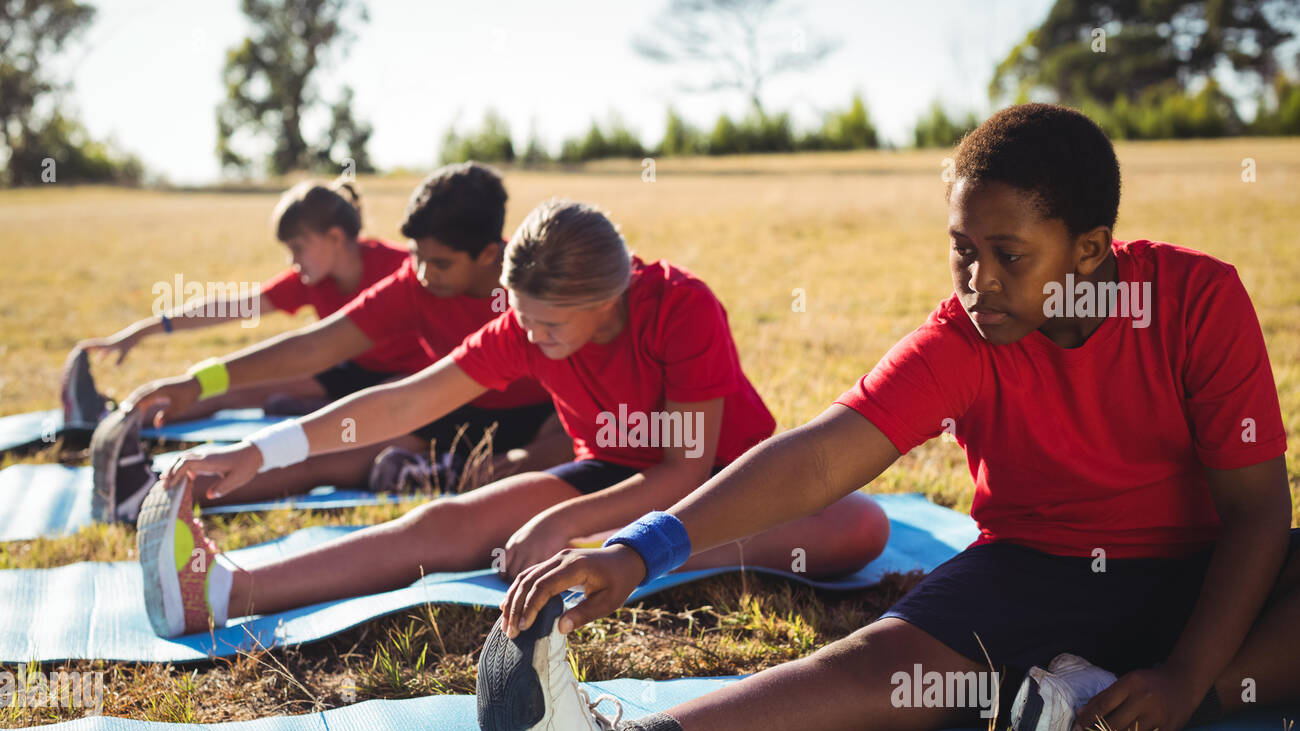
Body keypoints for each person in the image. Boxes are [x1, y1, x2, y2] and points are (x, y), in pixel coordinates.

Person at [476, 102, 1300, 731]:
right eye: (962, 250)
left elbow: (1259, 514)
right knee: (873, 670)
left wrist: (1192, 682)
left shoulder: (1196, 300)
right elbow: (820, 455)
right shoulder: (964, 340)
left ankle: (1098, 701)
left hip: (1207, 571)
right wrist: (640, 549)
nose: (978, 280)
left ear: (1089, 252)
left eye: (1008, 255)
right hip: (1035, 571)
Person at [134, 198, 889, 641]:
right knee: (445, 526)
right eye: (521, 320)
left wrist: (573, 530)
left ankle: (607, 555)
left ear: (608, 300)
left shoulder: (681, 308)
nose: (529, 339)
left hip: (726, 479)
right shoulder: (524, 326)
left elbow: (686, 469)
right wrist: (259, 454)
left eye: (549, 325)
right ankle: (226, 593)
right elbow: (403, 402)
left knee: (858, 529)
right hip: (615, 475)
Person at [90, 163, 568, 521]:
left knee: (545, 464)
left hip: (551, 415)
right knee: (333, 452)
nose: (422, 273)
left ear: (490, 253)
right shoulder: (413, 283)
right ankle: (155, 495)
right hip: (461, 405)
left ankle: (445, 473)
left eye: (439, 264)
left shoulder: (539, 282)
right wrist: (198, 383)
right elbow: (312, 347)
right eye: (417, 257)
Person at [70, 176, 412, 423]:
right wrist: (144, 330)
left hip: (409, 382)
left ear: (335, 237)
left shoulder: (402, 268)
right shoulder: (311, 280)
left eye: (297, 247)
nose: (292, 261)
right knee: (229, 389)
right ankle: (111, 420)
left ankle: (312, 408)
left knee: (367, 407)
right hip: (351, 371)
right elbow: (234, 307)